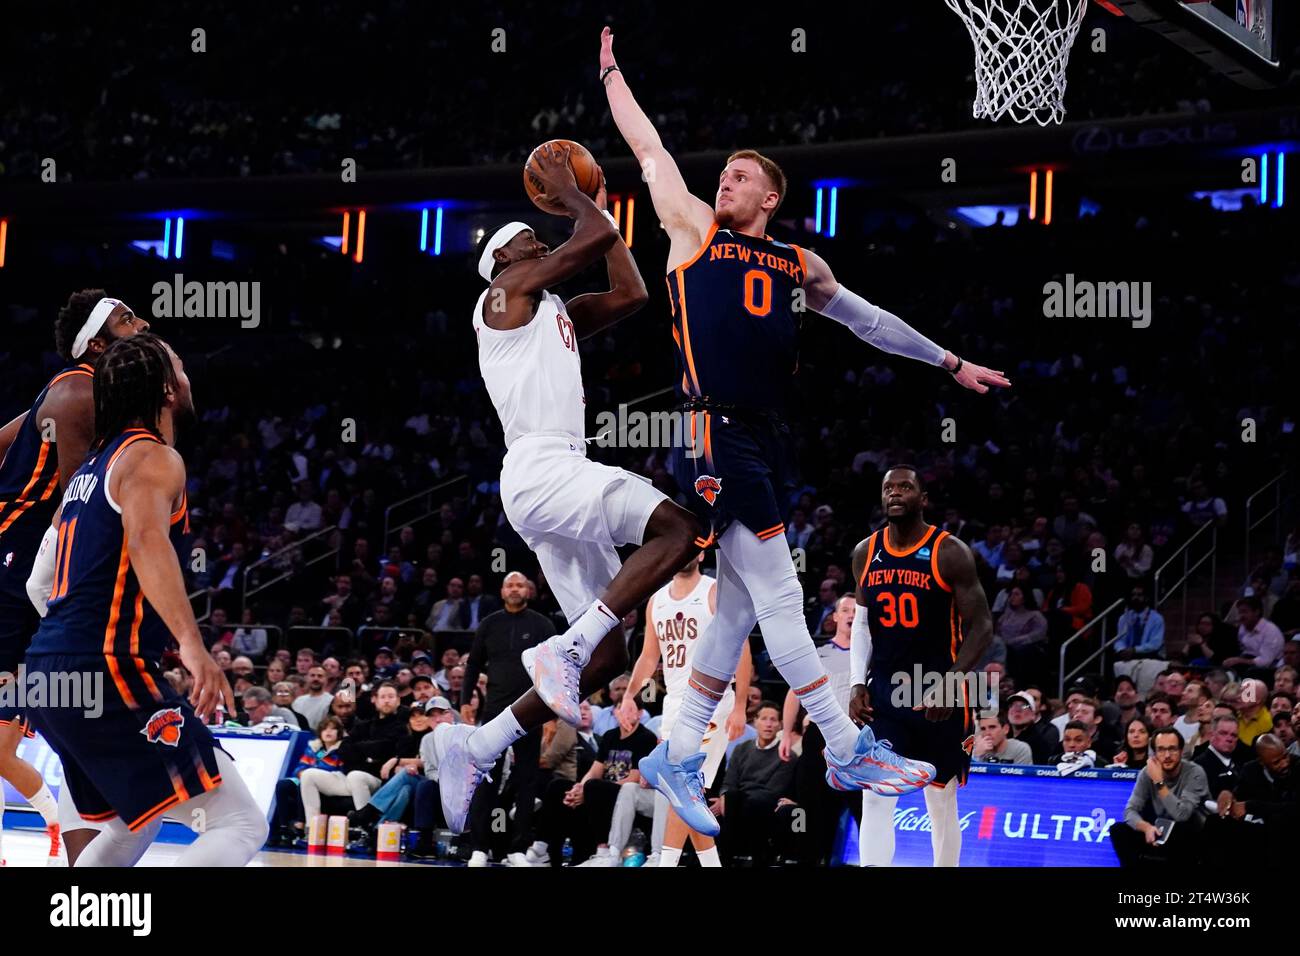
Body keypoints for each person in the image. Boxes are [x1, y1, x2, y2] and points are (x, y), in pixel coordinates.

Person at [596, 28, 1009, 837]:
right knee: (783, 592)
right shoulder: (691, 229)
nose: (726, 178)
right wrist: (611, 72)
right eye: (724, 171)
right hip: (717, 429)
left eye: (741, 175)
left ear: (770, 199)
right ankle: (848, 744)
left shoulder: (799, 264)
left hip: (771, 439)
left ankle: (677, 750)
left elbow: (873, 323)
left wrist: (950, 360)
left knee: (740, 609)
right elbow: (646, 146)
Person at [434, 142, 705, 835]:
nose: (544, 240)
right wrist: (575, 195)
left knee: (608, 653)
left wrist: (599, 209)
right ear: (503, 263)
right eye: (531, 240)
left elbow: (633, 292)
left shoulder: (552, 311)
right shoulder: (500, 297)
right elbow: (594, 236)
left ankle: (481, 743)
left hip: (547, 484)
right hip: (543, 467)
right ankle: (564, 649)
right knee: (678, 528)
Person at [24, 333, 267, 866]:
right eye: (179, 366)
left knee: (134, 820)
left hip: (47, 673)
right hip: (104, 667)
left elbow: (38, 586)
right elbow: (146, 542)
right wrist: (192, 643)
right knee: (242, 823)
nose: (186, 374)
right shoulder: (154, 458)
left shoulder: (89, 471)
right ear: (166, 389)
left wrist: (71, 644)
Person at [0, 291, 151, 866]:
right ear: (96, 343)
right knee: (70, 715)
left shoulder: (75, 390)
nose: (142, 323)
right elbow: (74, 506)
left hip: (28, 571)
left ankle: (80, 864)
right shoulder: (79, 388)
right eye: (126, 319)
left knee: (67, 718)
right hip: (18, 571)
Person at [851, 466, 994, 868]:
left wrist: (951, 684)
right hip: (886, 692)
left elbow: (982, 625)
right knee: (876, 792)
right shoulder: (865, 551)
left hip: (938, 688)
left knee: (940, 798)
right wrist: (855, 683)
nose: (895, 493)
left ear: (923, 497)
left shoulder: (950, 551)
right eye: (888, 488)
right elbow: (861, 624)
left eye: (905, 487)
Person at [624, 553, 750, 866]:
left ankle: (666, 862)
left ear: (702, 552)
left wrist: (741, 706)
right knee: (683, 795)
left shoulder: (713, 591)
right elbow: (649, 657)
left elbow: (742, 647)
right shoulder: (656, 601)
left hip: (711, 702)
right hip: (674, 704)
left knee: (682, 792)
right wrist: (629, 695)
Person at [459, 572, 555, 866]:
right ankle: (479, 847)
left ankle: (518, 848)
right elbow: (474, 663)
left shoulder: (543, 624)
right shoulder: (489, 624)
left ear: (529, 590)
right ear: (502, 592)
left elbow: (554, 670)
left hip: (531, 711)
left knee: (527, 781)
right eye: (510, 585)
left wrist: (551, 715)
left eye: (520, 585)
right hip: (494, 711)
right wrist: (465, 701)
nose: (515, 589)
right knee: (484, 778)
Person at [1111, 728, 1209, 866]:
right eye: (1161, 750)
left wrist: (1159, 782)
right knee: (1119, 830)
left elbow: (1182, 814)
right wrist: (1146, 828)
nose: (1167, 755)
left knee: (1185, 827)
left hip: (1189, 834)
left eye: (1172, 749)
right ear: (1154, 753)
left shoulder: (1195, 772)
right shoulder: (1146, 773)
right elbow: (1130, 811)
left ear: (1181, 751)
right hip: (1159, 830)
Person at [716, 701, 797, 866]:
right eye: (764, 719)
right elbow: (730, 780)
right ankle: (723, 860)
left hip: (765, 802)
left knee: (752, 802)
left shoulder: (787, 754)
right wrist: (724, 795)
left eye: (773, 720)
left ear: (780, 725)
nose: (768, 724)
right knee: (730, 797)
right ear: (755, 722)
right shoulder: (741, 749)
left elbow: (775, 789)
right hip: (740, 800)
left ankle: (757, 858)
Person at [269, 715, 346, 847]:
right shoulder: (315, 748)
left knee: (306, 781)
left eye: (333, 729)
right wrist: (305, 773)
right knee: (283, 785)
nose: (328, 732)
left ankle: (300, 824)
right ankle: (283, 828)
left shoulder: (342, 749)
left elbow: (338, 772)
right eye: (325, 729)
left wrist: (313, 772)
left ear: (339, 733)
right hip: (306, 779)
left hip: (327, 785)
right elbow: (299, 768)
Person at [1224, 597, 1285, 676]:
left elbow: (1265, 662)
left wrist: (1239, 660)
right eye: (1240, 612)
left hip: (1268, 669)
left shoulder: (1271, 631)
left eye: (1244, 612)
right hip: (1248, 662)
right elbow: (1243, 649)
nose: (1241, 616)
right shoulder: (1243, 627)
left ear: (1257, 612)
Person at [1192, 715, 1249, 795]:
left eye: (1234, 735)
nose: (1229, 739)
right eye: (1223, 733)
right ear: (1211, 735)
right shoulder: (1198, 766)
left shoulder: (1242, 763)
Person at [1113, 585, 1165, 661]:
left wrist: (1134, 650)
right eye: (1133, 595)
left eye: (1139, 595)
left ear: (1146, 598)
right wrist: (1121, 649)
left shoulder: (1157, 618)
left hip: (1150, 654)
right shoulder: (1124, 618)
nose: (1135, 598)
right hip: (1129, 654)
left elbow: (1155, 644)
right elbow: (1120, 640)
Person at [1006, 690, 1059, 763]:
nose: (1017, 709)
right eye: (1013, 705)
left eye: (1024, 706)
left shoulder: (1039, 745)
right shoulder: (1002, 738)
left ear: (1033, 715)